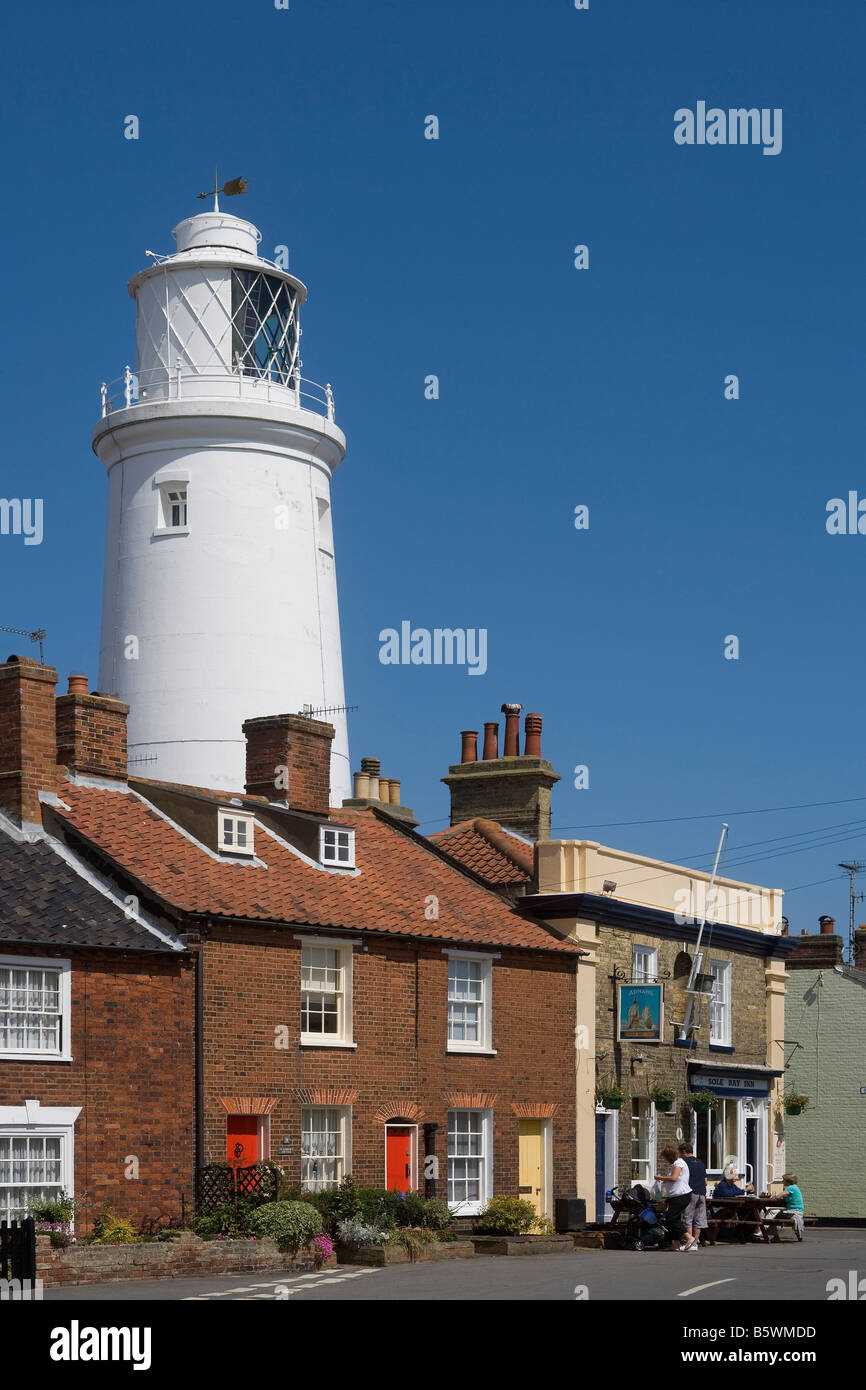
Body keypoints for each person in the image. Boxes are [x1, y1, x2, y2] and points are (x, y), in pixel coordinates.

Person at [654, 1145, 692, 1246]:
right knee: (674, 1219)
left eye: (666, 1158)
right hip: (676, 1196)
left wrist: (661, 1177)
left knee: (671, 1219)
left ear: (669, 1156)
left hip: (681, 1195)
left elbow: (674, 1178)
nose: (666, 1160)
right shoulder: (677, 1163)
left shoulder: (678, 1163)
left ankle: (689, 1237)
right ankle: (676, 1245)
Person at [677, 1142, 707, 1251]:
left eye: (680, 1153)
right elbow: (705, 1181)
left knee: (687, 1218)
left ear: (684, 1152)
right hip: (702, 1193)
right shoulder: (701, 1163)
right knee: (699, 1219)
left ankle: (689, 1243)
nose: (680, 1155)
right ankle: (695, 1243)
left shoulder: (684, 1163)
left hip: (690, 1192)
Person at [771, 1173, 805, 1240]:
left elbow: (778, 1196)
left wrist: (774, 1197)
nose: (782, 1182)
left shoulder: (791, 1188)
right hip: (797, 1211)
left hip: (793, 1212)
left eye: (783, 1180)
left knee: (771, 1213)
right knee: (774, 1213)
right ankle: (774, 1235)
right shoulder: (795, 1187)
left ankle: (764, 1230)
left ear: (788, 1181)